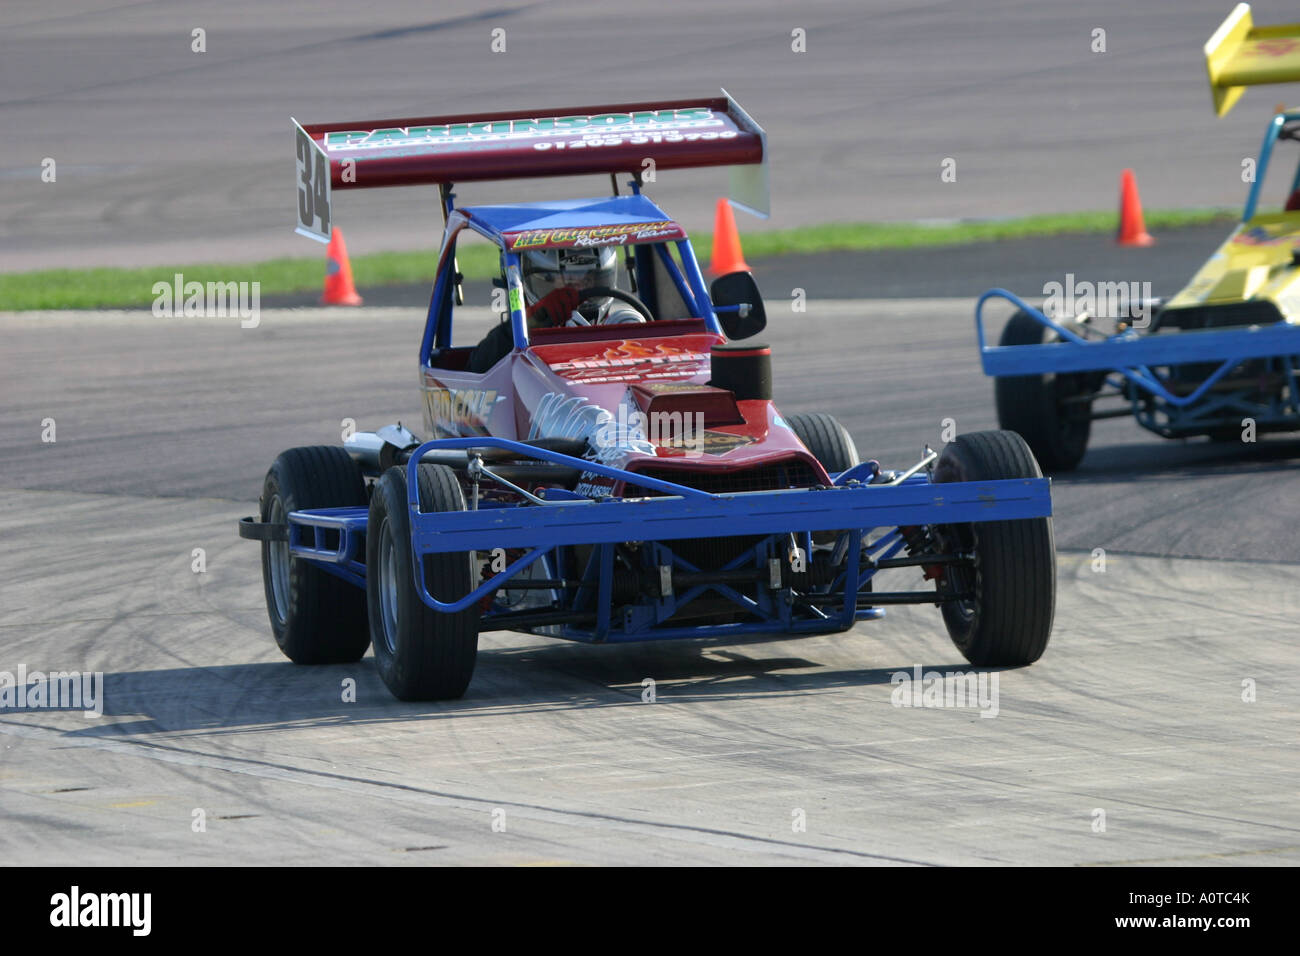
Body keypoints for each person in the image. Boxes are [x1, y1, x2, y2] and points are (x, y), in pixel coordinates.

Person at [466, 246, 644, 373]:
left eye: (588, 280)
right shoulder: (520, 337)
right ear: (542, 281)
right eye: (568, 283)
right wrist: (534, 323)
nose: (580, 291)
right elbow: (477, 368)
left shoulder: (620, 326)